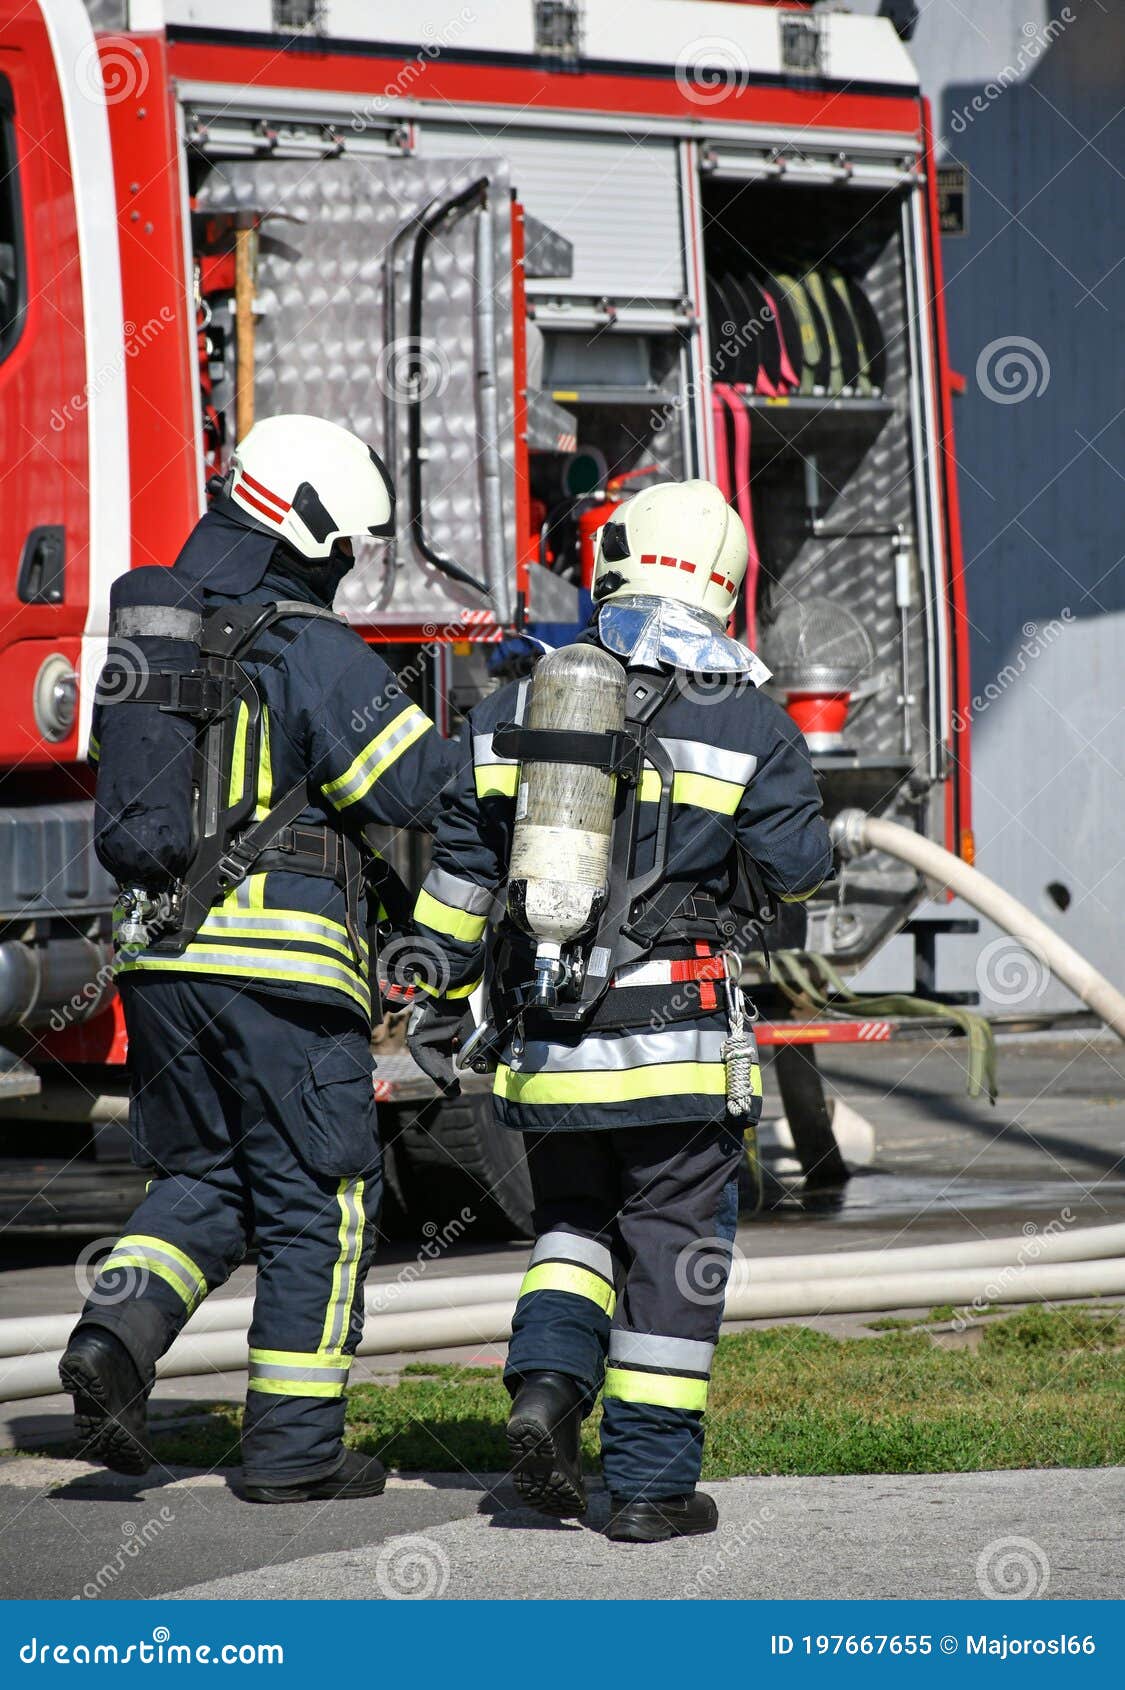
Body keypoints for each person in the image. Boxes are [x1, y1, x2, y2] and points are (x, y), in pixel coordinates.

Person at [408, 478, 832, 1542]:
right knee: (675, 1249)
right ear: (725, 589)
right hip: (677, 1047)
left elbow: (463, 865)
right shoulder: (748, 719)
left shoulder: (520, 702)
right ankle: (647, 1489)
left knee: (571, 1228)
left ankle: (546, 1393)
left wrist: (432, 983)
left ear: (617, 562)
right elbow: (799, 871)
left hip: (550, 1045)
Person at [60, 415, 455, 1503]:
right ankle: (294, 1453)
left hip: (160, 963)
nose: (347, 565)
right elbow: (416, 789)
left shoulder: (159, 636)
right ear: (313, 527)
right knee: (318, 1199)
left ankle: (115, 1339)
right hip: (280, 972)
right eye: (347, 544)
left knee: (204, 1176)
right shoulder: (313, 647)